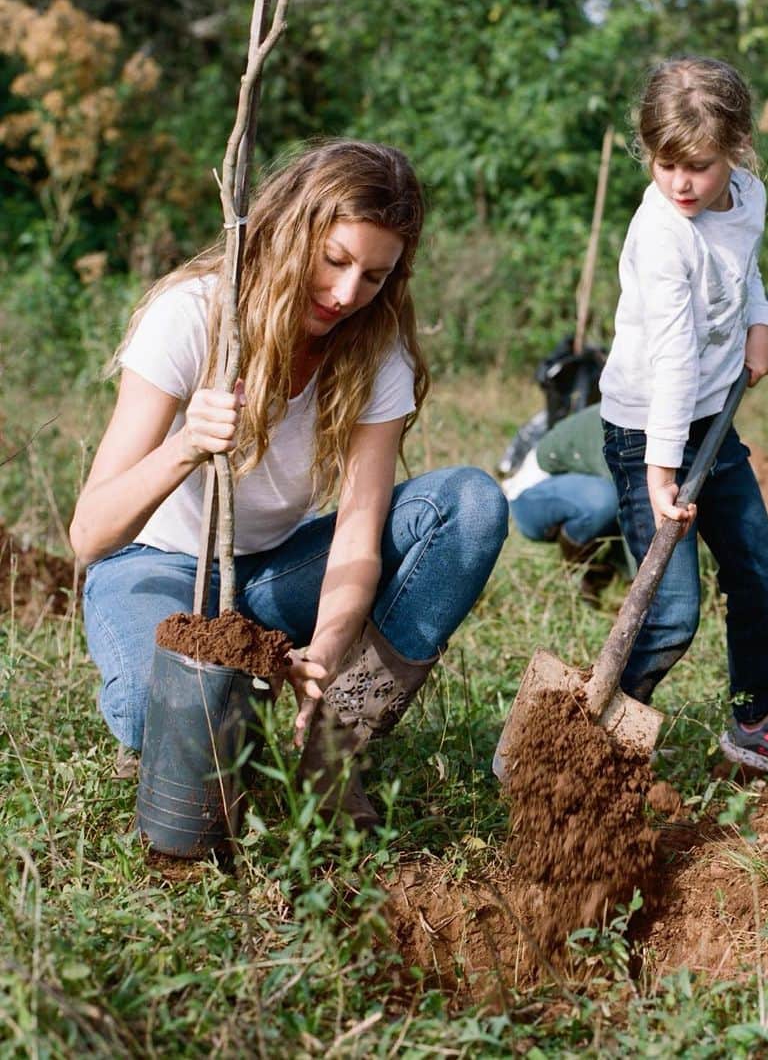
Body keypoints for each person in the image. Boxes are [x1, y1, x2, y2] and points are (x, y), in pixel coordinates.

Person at [69, 139, 509, 824]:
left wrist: (329, 647)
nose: (347, 294)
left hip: (275, 574)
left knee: (470, 504)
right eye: (334, 260)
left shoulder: (374, 348)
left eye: (374, 276)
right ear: (288, 232)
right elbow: (90, 534)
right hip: (152, 565)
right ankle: (225, 711)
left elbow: (358, 538)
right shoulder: (193, 314)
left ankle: (333, 744)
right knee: (152, 710)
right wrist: (187, 445)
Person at [599, 56, 768, 777]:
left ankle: (755, 718)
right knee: (669, 614)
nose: (681, 184)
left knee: (756, 575)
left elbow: (744, 270)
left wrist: (761, 322)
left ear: (737, 150)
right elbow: (672, 359)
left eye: (698, 166)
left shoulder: (748, 196)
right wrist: (661, 470)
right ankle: (599, 735)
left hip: (713, 422)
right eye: (665, 165)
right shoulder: (662, 235)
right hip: (647, 430)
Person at [501, 403, 628, 601]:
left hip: (575, 490)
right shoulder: (621, 421)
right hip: (529, 500)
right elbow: (631, 505)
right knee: (606, 499)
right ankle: (575, 579)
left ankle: (606, 571)